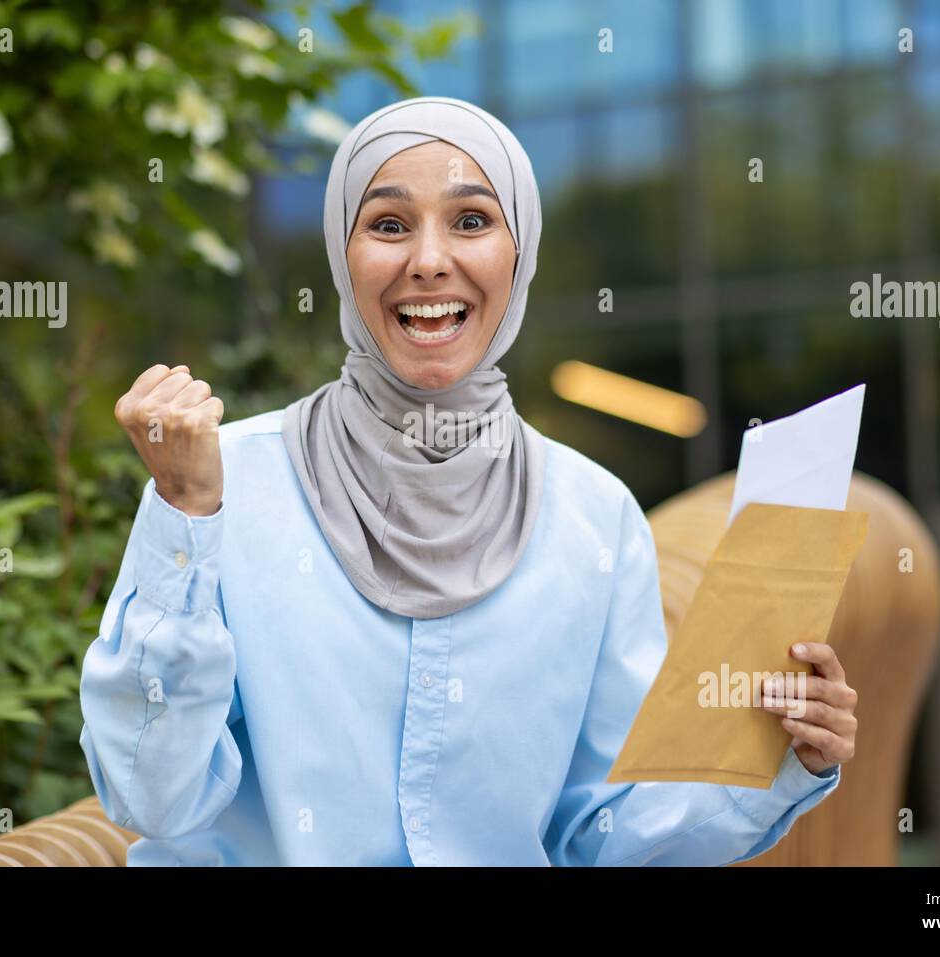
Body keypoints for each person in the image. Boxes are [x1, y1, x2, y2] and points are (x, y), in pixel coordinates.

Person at [78, 96, 857, 866]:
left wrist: (781, 756)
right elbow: (150, 795)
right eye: (387, 224)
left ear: (520, 256)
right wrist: (184, 513)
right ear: (341, 261)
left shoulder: (595, 516)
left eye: (472, 221)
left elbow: (605, 833)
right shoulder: (223, 483)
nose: (428, 259)